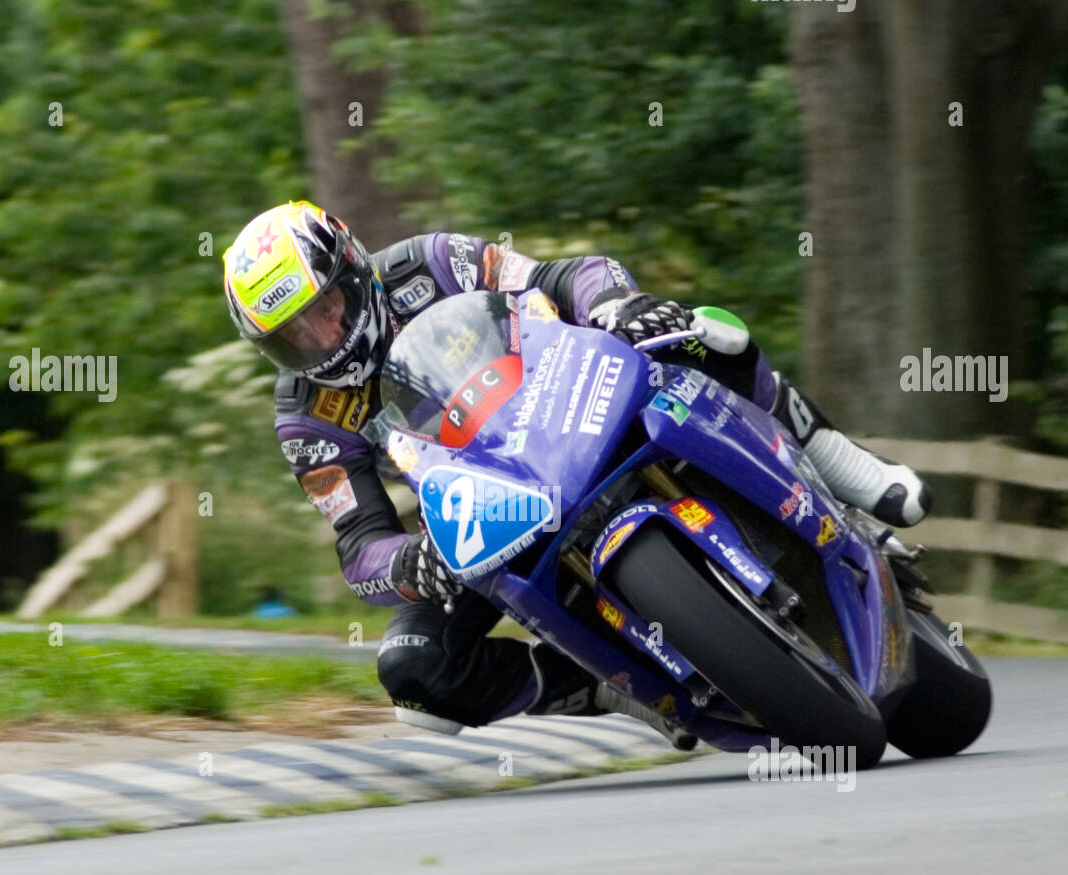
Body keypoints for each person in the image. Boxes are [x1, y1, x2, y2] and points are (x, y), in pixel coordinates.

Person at [222, 201, 931, 738]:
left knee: (708, 334)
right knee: (413, 673)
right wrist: (416, 564)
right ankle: (611, 684)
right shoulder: (305, 415)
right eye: (292, 338)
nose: (322, 341)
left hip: (569, 402)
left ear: (352, 266)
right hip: (487, 506)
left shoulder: (428, 261)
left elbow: (563, 275)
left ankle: (845, 466)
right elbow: (358, 545)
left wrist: (615, 306)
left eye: (328, 309)